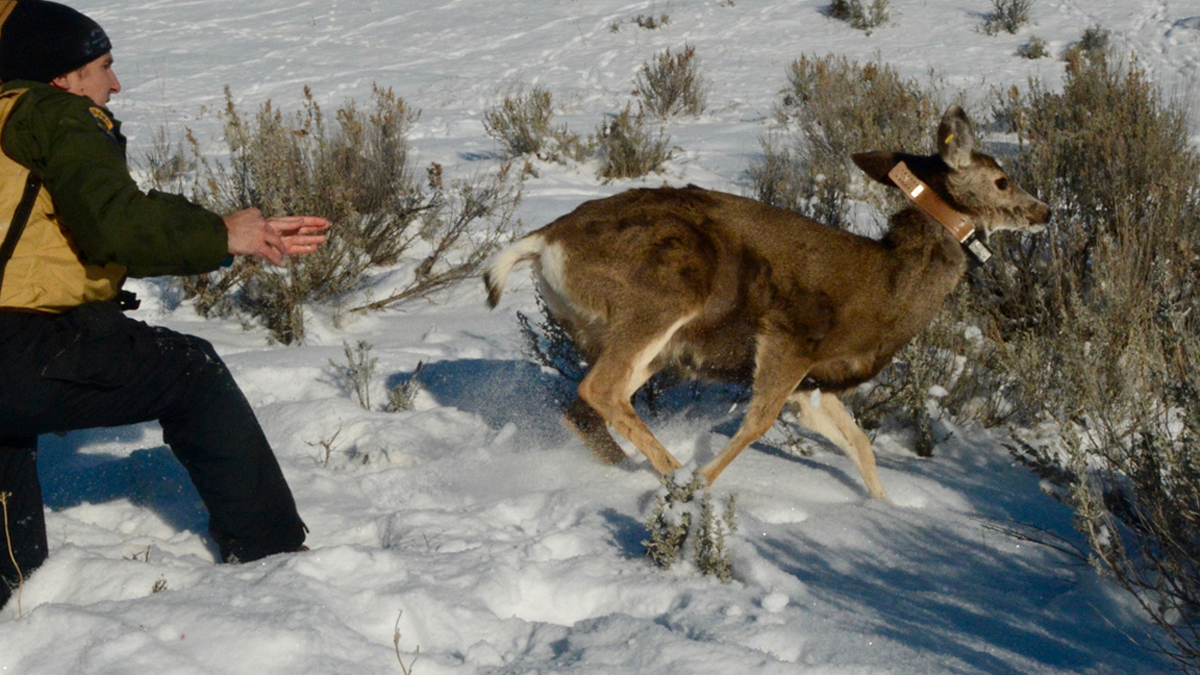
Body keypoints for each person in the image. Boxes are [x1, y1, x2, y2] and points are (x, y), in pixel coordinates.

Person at [0, 0, 331, 608]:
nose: (115, 83)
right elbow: (116, 225)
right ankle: (273, 553)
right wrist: (223, 236)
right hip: (17, 348)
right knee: (190, 372)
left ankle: (12, 601)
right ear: (62, 77)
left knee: (7, 438)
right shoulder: (56, 114)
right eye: (103, 65)